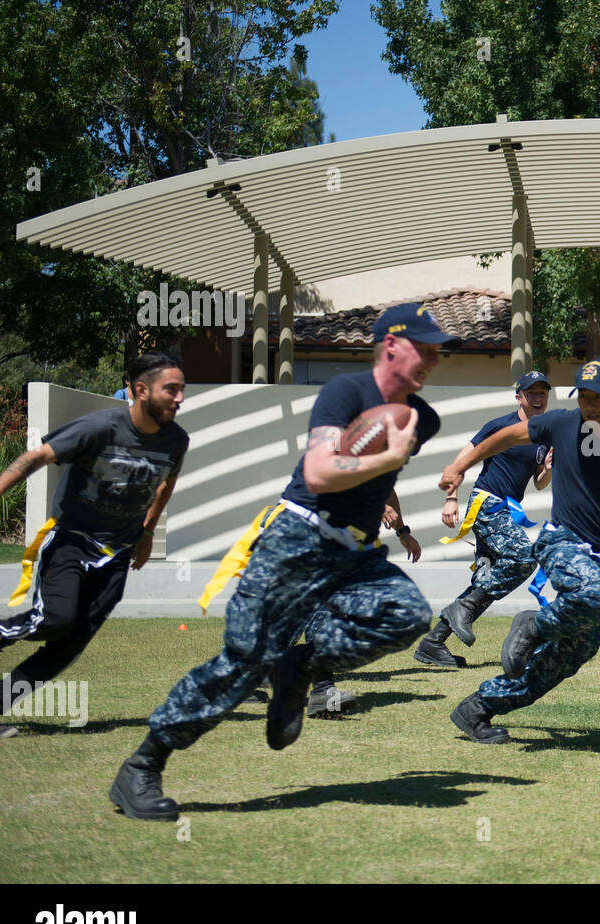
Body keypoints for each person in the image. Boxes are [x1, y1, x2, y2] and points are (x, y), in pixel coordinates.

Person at [108, 304, 454, 820]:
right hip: (297, 538)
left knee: (404, 614)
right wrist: (384, 458)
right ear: (390, 345)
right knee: (244, 662)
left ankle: (301, 666)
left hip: (354, 551)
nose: (432, 359)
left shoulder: (423, 417)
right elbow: (318, 473)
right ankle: (142, 765)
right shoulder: (346, 392)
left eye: (437, 351)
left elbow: (376, 477)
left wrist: (393, 513)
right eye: (422, 348)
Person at [438, 358, 600, 744]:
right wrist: (458, 467)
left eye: (597, 397)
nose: (587, 403)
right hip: (561, 540)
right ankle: (533, 624)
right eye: (582, 395)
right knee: (598, 595)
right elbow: (503, 437)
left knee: (573, 654)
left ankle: (478, 708)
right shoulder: (561, 424)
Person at [0, 352, 189, 739]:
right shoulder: (100, 428)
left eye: (182, 390)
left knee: (69, 645)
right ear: (141, 390)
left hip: (118, 552)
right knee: (54, 620)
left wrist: (146, 532)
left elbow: (166, 482)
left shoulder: (176, 440)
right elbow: (40, 455)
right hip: (71, 542)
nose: (179, 398)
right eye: (172, 389)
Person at [412, 370, 552, 667]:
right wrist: (451, 498)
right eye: (532, 393)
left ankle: (433, 643)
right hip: (486, 503)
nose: (538, 398)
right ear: (519, 397)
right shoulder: (500, 426)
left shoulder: (543, 436)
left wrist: (548, 467)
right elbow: (461, 461)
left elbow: (539, 482)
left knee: (486, 580)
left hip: (507, 509)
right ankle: (458, 612)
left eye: (543, 393)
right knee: (523, 559)